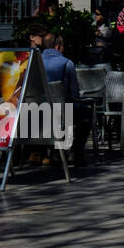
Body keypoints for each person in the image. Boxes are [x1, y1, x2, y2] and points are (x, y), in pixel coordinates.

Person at [40, 32, 88, 166]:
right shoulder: (67, 63)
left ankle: (45, 152)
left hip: (35, 112)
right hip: (61, 112)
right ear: (58, 46)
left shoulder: (32, 62)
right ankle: (76, 153)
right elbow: (74, 94)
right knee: (85, 113)